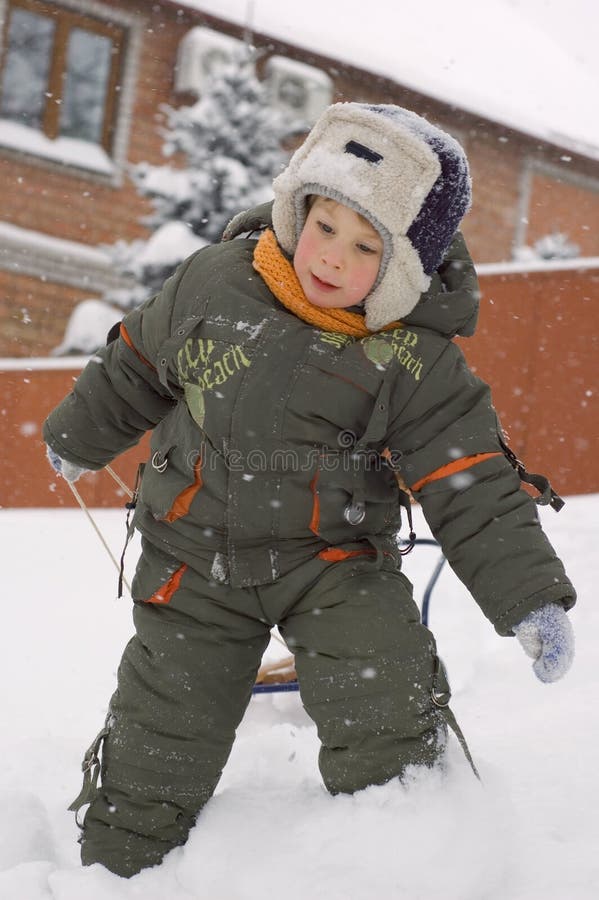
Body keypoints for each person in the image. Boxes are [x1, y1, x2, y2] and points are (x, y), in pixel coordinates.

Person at [43, 102, 576, 878]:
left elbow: (469, 479)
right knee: (163, 726)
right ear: (297, 208)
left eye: (365, 247)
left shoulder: (411, 356)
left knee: (384, 685)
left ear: (400, 269)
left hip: (332, 561)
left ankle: (408, 847)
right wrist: (76, 436)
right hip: (194, 559)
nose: (330, 257)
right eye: (324, 226)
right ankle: (119, 869)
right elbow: (135, 363)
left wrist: (528, 596)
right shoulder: (216, 281)